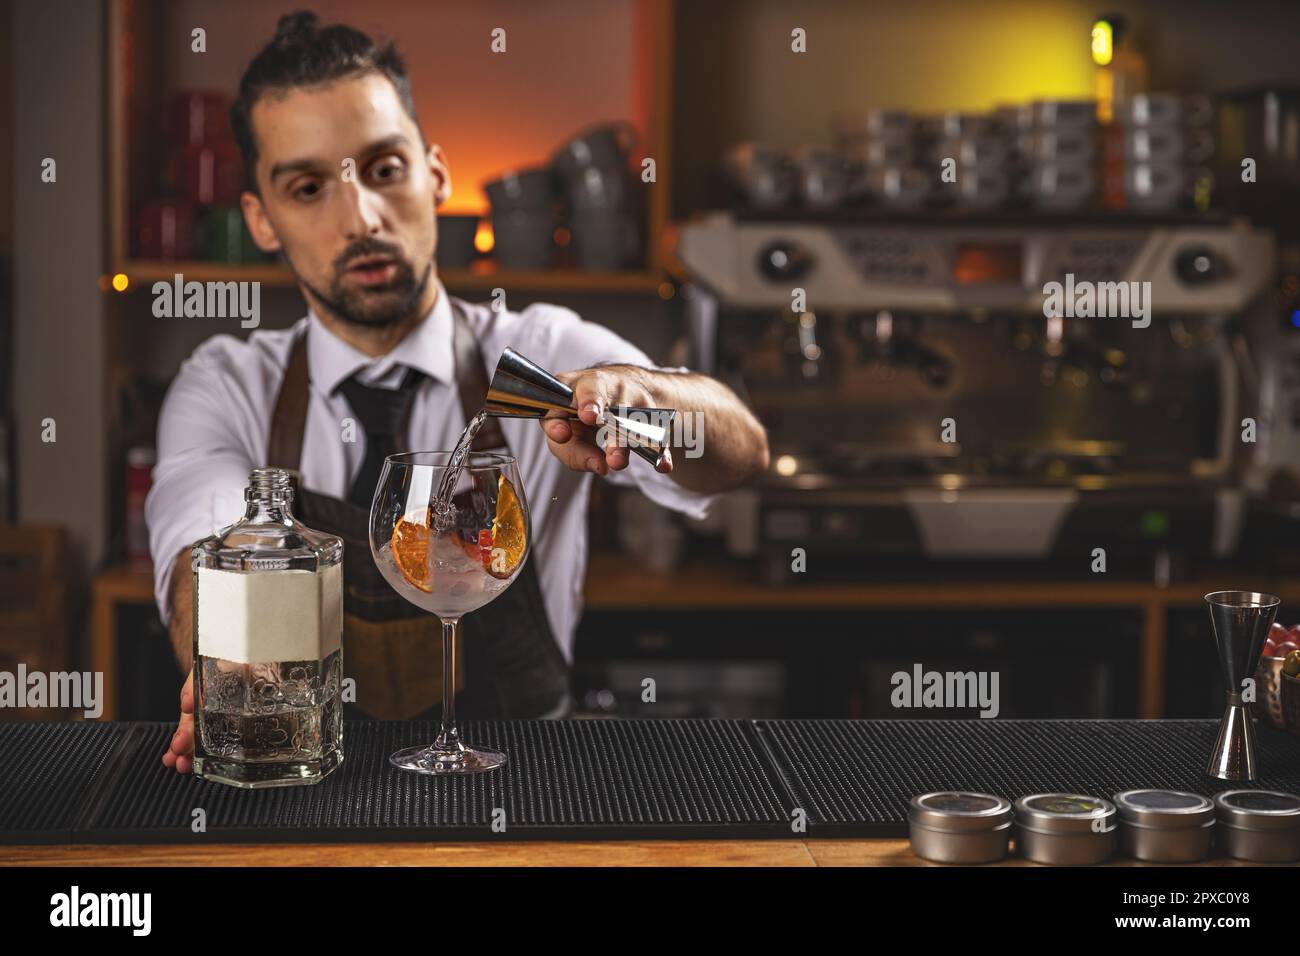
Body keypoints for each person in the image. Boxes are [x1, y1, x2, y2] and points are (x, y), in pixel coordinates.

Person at [155, 11, 769, 773]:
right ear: (262, 220)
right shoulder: (226, 385)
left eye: (384, 170)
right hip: (311, 792)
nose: (362, 218)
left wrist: (639, 395)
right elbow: (198, 547)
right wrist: (228, 664)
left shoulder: (540, 355)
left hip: (536, 785)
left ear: (436, 174)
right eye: (309, 187)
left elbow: (741, 451)